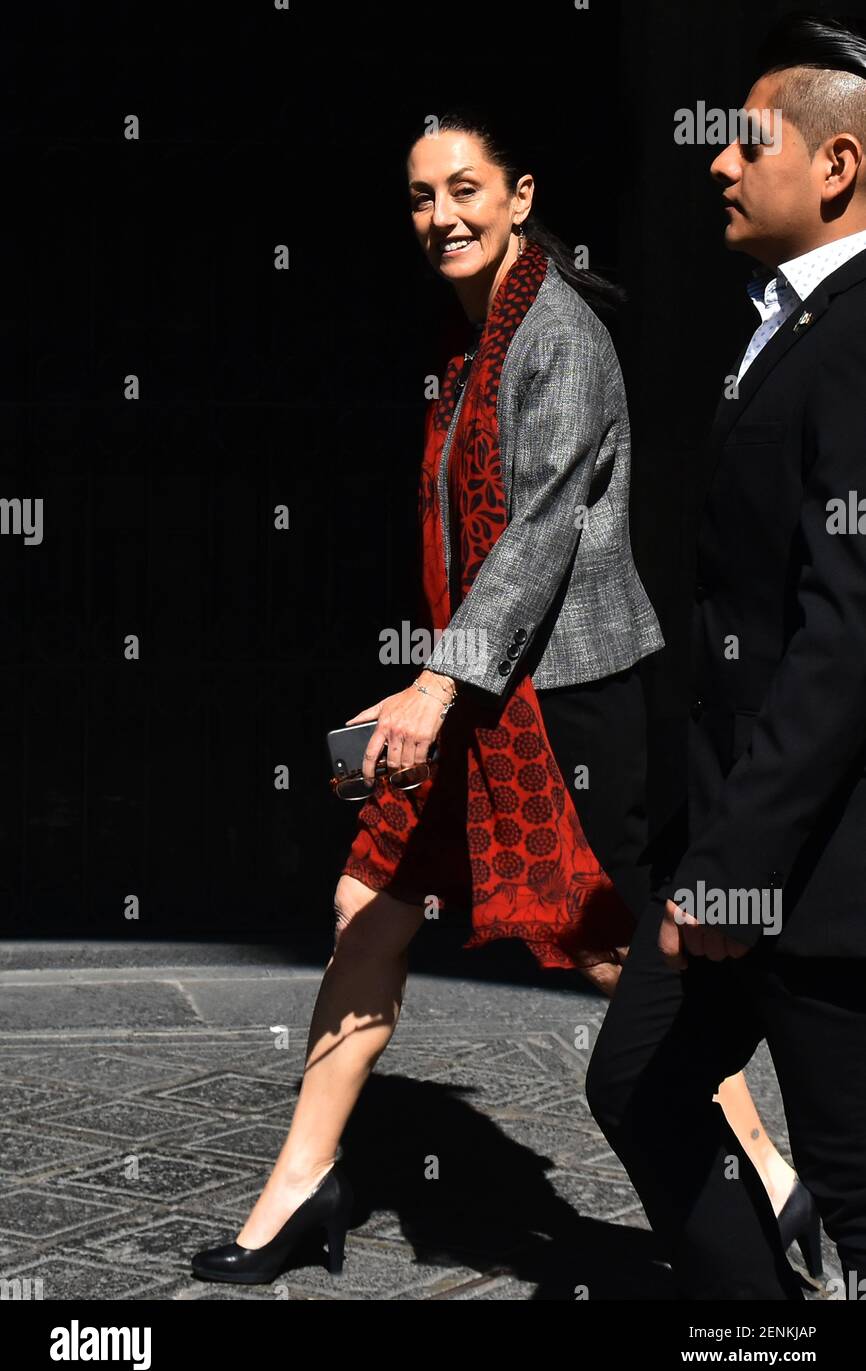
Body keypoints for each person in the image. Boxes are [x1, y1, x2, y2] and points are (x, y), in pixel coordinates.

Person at [191, 108, 801, 1287]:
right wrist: (437, 676)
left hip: (563, 698)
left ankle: (764, 1177)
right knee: (363, 899)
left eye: (464, 190)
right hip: (483, 681)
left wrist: (433, 681)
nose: (441, 217)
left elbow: (536, 537)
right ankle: (301, 1182)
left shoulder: (555, 334)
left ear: (520, 195)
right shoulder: (474, 335)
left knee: (612, 955)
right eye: (420, 197)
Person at [586, 14, 866, 1300]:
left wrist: (735, 864)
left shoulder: (857, 337)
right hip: (738, 859)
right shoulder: (786, 324)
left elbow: (842, 636)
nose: (714, 163)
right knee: (637, 1079)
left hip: (816, 880)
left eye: (745, 144)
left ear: (836, 164)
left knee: (854, 1189)